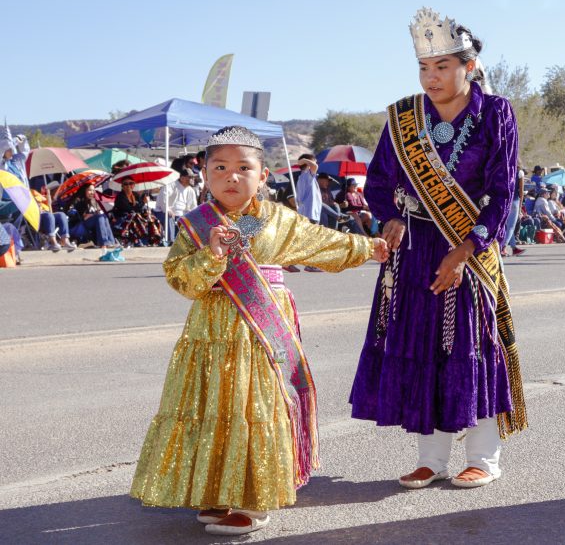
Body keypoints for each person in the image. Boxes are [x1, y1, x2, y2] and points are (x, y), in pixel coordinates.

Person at [130, 126, 388, 536]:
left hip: (261, 334)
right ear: (205, 173)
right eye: (221, 167)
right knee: (213, 404)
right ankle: (215, 490)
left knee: (254, 408)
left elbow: (324, 243)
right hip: (210, 334)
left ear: (263, 175)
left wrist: (369, 247)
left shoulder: (278, 220)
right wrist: (211, 257)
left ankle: (252, 497)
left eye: (243, 168)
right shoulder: (195, 224)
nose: (232, 177)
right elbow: (180, 279)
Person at [350, 7, 526, 490]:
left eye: (443, 67)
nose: (432, 77)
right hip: (416, 249)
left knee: (471, 345)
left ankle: (484, 457)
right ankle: (431, 457)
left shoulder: (496, 113)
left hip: (469, 245)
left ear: (468, 67)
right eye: (425, 68)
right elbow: (380, 179)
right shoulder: (404, 117)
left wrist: (469, 246)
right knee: (422, 343)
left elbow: (503, 188)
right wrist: (388, 216)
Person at [112, 178, 163, 246]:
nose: (128, 186)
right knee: (135, 217)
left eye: (131, 183)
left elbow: (139, 209)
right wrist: (143, 202)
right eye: (126, 184)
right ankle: (139, 240)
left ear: (134, 185)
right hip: (123, 218)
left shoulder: (135, 195)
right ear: (122, 186)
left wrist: (145, 212)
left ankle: (155, 239)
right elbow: (129, 209)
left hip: (136, 216)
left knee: (152, 218)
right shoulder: (120, 197)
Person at [69, 184, 118, 250]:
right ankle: (103, 243)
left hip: (94, 221)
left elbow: (98, 211)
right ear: (84, 191)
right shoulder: (79, 200)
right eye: (90, 190)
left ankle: (111, 242)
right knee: (99, 217)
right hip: (83, 223)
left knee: (104, 216)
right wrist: (89, 215)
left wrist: (98, 212)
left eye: (93, 190)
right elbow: (78, 215)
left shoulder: (93, 201)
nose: (92, 192)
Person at [32, 185, 76, 252]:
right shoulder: (31, 192)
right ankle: (53, 242)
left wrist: (49, 201)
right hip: (37, 218)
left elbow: (50, 210)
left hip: (48, 216)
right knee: (48, 215)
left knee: (61, 215)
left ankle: (65, 240)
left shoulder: (45, 194)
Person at [293, 155, 322, 224]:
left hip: (305, 212)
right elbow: (315, 166)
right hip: (310, 212)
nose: (316, 164)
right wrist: (305, 160)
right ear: (308, 165)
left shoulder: (302, 177)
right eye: (314, 162)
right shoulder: (308, 174)